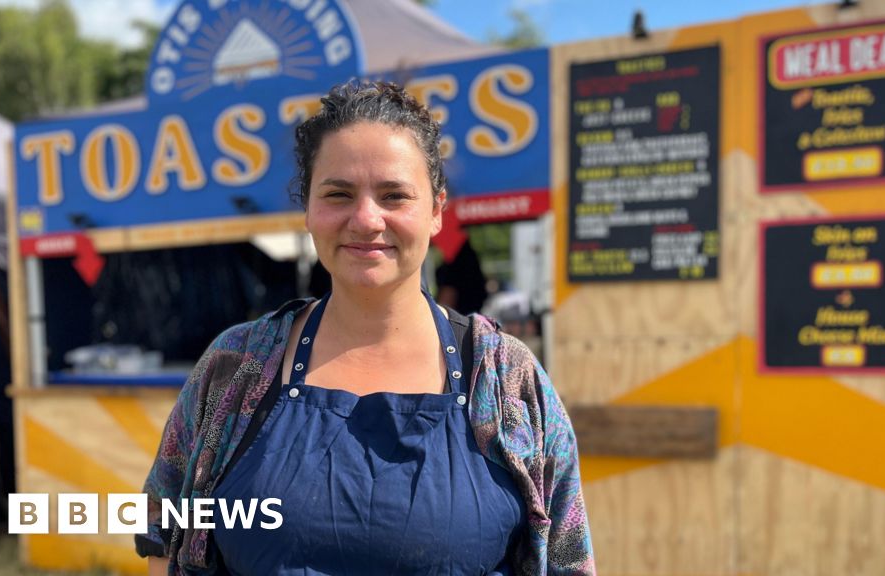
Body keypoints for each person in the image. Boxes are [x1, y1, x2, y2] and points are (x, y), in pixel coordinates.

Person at [136, 80, 595, 575]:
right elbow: (164, 528)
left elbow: (569, 559)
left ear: (437, 211)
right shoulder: (235, 367)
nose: (366, 219)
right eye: (338, 194)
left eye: (394, 195)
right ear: (308, 209)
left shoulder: (507, 380)